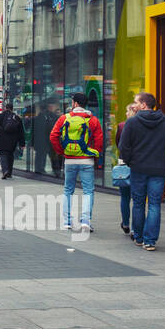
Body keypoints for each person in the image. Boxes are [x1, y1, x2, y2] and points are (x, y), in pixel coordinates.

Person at [117, 92, 165, 251]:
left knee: (138, 203)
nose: (134, 105)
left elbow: (123, 146)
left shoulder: (132, 123)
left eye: (136, 102)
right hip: (158, 170)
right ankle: (150, 241)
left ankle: (139, 237)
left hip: (138, 168)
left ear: (143, 105)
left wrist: (127, 161)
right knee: (154, 204)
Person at [50, 92, 103, 232]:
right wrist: (94, 154)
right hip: (86, 160)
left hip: (70, 159)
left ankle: (67, 221)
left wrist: (62, 151)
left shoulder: (64, 118)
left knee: (68, 190)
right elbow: (99, 140)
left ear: (75, 104)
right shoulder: (93, 120)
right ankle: (85, 220)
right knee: (88, 191)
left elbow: (53, 136)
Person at [114, 102, 138, 235]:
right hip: (138, 164)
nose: (126, 114)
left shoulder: (122, 126)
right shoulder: (143, 126)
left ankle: (125, 223)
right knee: (137, 198)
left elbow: (119, 143)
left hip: (124, 163)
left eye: (127, 111)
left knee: (125, 196)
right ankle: (135, 227)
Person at [0, 102, 24, 179]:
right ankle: (10, 172)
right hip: (12, 140)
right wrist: (22, 143)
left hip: (1, 140)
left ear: (5, 108)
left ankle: (5, 170)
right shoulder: (16, 117)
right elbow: (21, 131)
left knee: (3, 155)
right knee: (10, 155)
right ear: (12, 109)